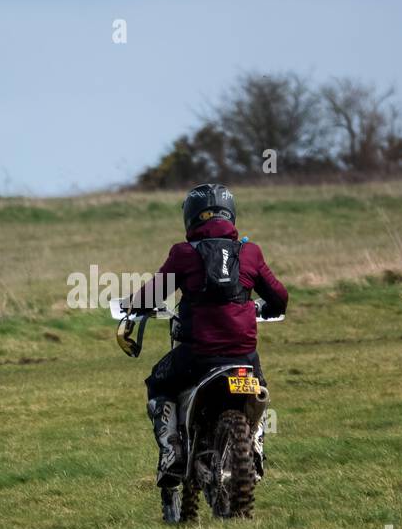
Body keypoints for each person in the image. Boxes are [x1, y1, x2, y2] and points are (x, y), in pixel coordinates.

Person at [120, 183, 289, 487]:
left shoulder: (184, 253)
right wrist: (261, 308)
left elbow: (153, 294)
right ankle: (255, 443)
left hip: (198, 355)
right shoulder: (250, 252)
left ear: (190, 217)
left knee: (158, 383)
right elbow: (280, 298)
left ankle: (172, 451)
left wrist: (131, 305)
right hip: (243, 355)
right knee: (259, 388)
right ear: (231, 214)